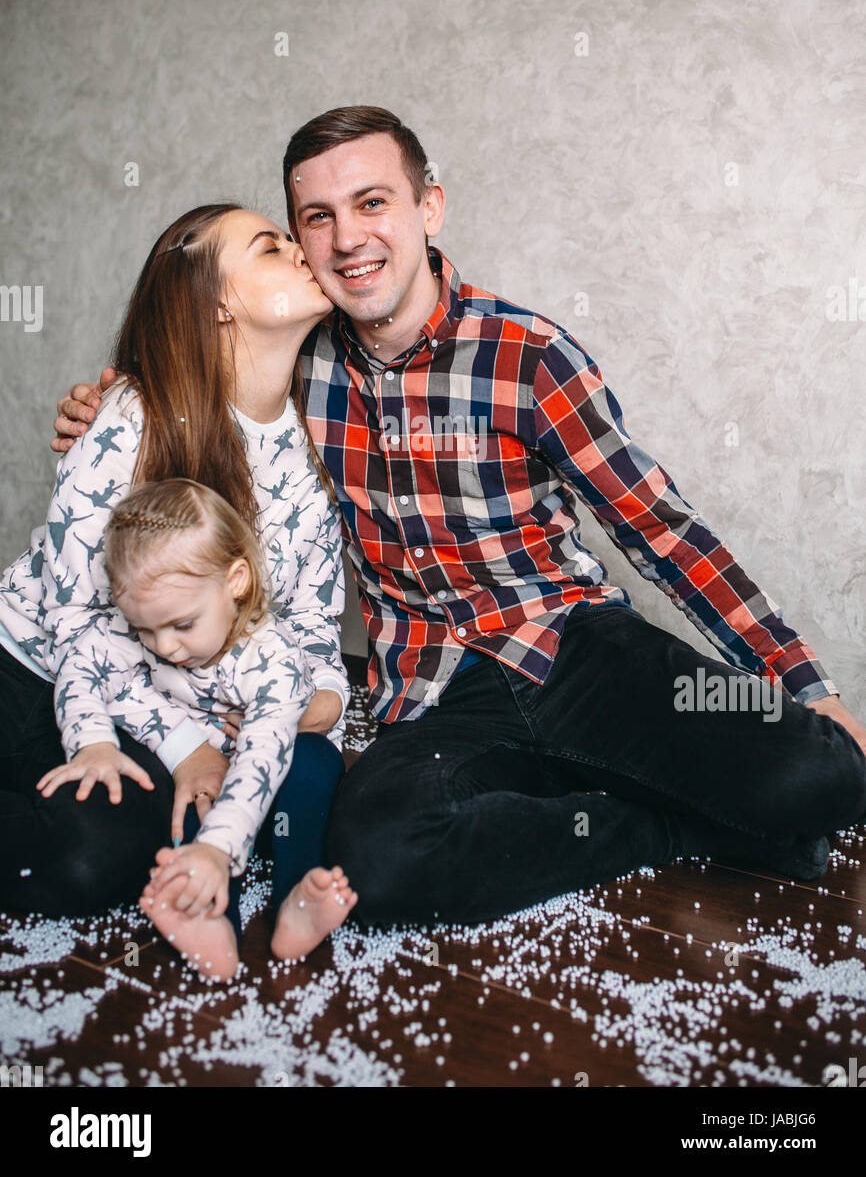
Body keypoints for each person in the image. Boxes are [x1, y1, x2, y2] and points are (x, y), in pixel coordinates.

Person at [53, 107, 866, 929]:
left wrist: (803, 681)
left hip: (574, 649)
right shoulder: (297, 362)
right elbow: (198, 380)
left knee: (826, 777)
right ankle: (659, 823)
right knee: (379, 861)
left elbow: (659, 528)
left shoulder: (527, 353)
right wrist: (113, 408)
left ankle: (648, 777)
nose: (347, 239)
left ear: (428, 209)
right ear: (300, 239)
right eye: (318, 218)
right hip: (434, 689)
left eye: (373, 203)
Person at [1, 203, 351, 932]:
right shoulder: (134, 416)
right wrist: (184, 743)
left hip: (159, 699)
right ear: (219, 301)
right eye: (270, 246)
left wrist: (314, 700)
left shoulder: (314, 457)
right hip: (31, 663)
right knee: (87, 843)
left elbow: (313, 626)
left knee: (101, 856)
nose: (300, 252)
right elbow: (79, 624)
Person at [36, 477, 357, 980]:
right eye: (145, 628)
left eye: (182, 626)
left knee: (312, 766)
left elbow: (261, 756)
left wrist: (218, 848)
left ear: (236, 582)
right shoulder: (145, 625)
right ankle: (207, 912)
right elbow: (80, 666)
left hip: (270, 782)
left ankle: (296, 896)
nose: (162, 646)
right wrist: (93, 743)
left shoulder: (273, 657)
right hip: (203, 776)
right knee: (183, 803)